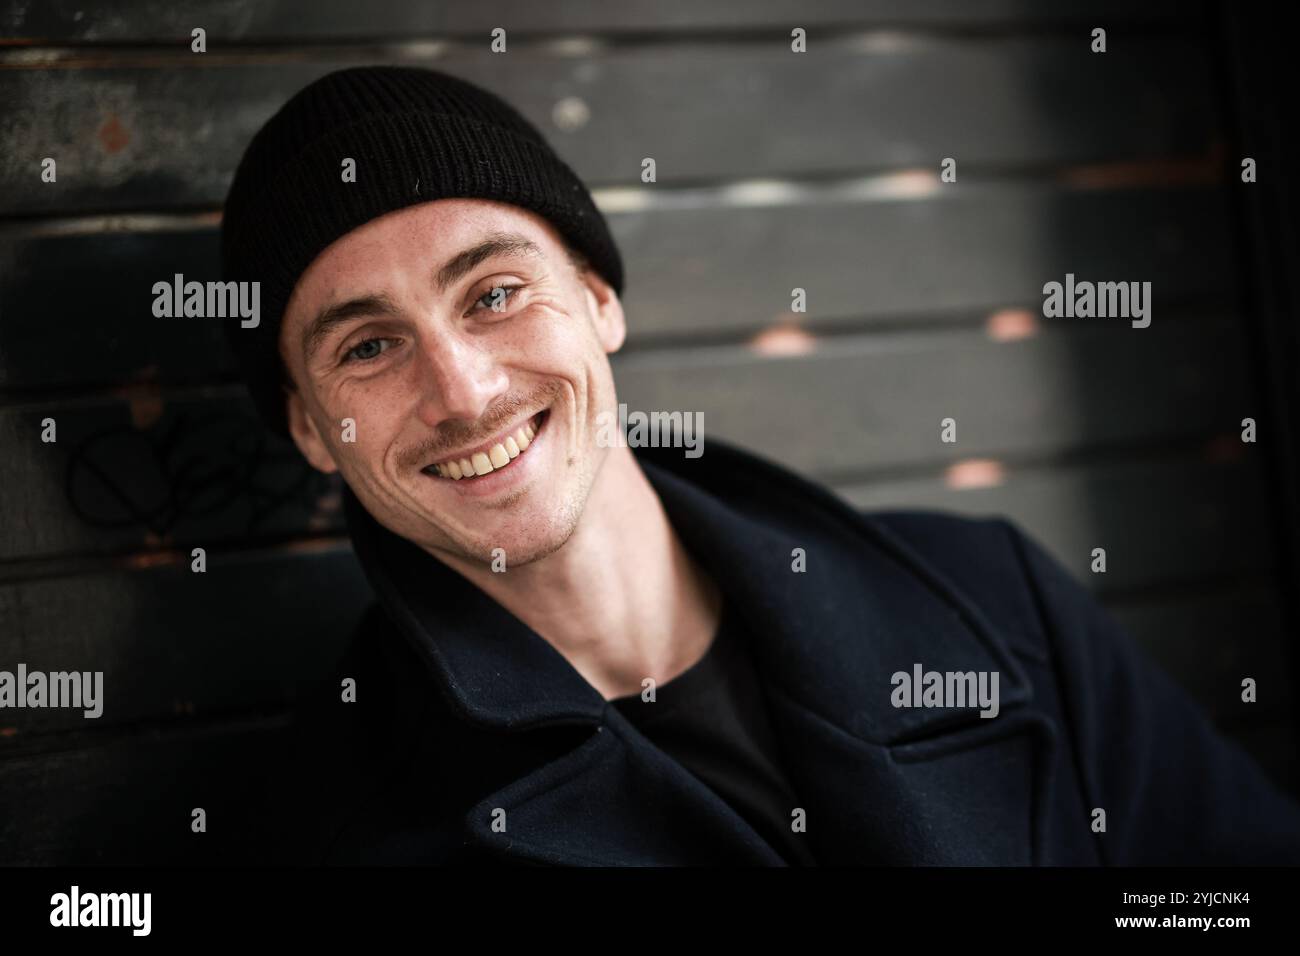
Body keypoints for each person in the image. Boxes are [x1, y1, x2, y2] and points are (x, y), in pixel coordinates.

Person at [221, 65, 1300, 866]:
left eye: (494, 293)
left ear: (599, 299)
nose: (461, 391)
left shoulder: (988, 600)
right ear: (312, 428)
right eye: (368, 346)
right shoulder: (321, 829)